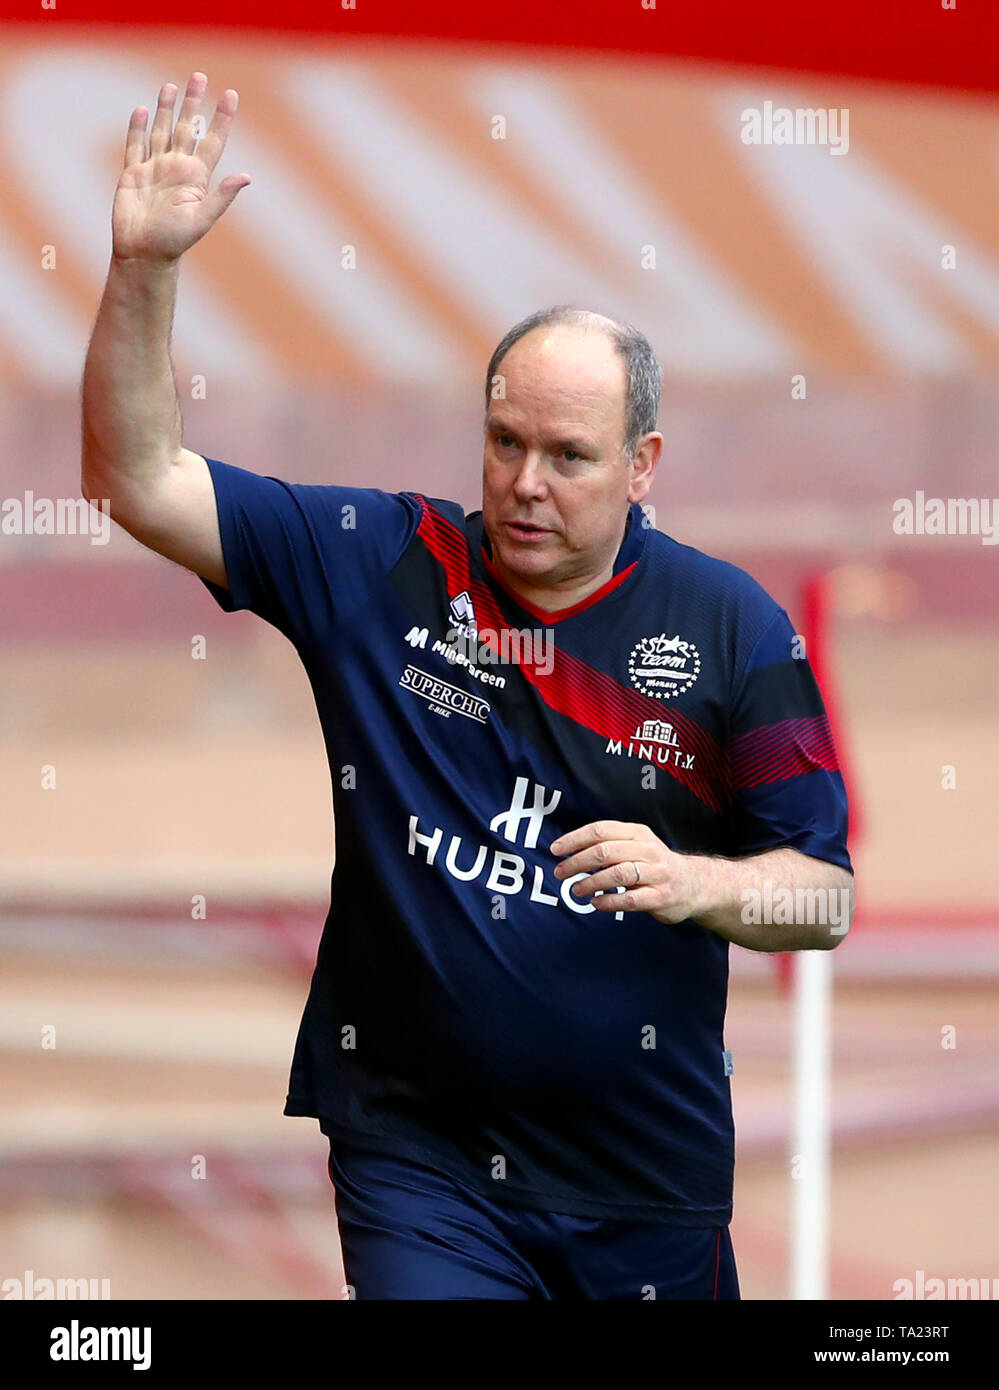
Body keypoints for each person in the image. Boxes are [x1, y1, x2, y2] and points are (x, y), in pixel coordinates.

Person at [82, 73, 854, 1301]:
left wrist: (693, 880)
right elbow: (139, 478)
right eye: (506, 442)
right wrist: (144, 270)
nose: (527, 482)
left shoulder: (734, 631)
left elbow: (822, 901)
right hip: (418, 1166)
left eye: (569, 455)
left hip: (644, 1190)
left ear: (643, 465)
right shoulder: (377, 561)